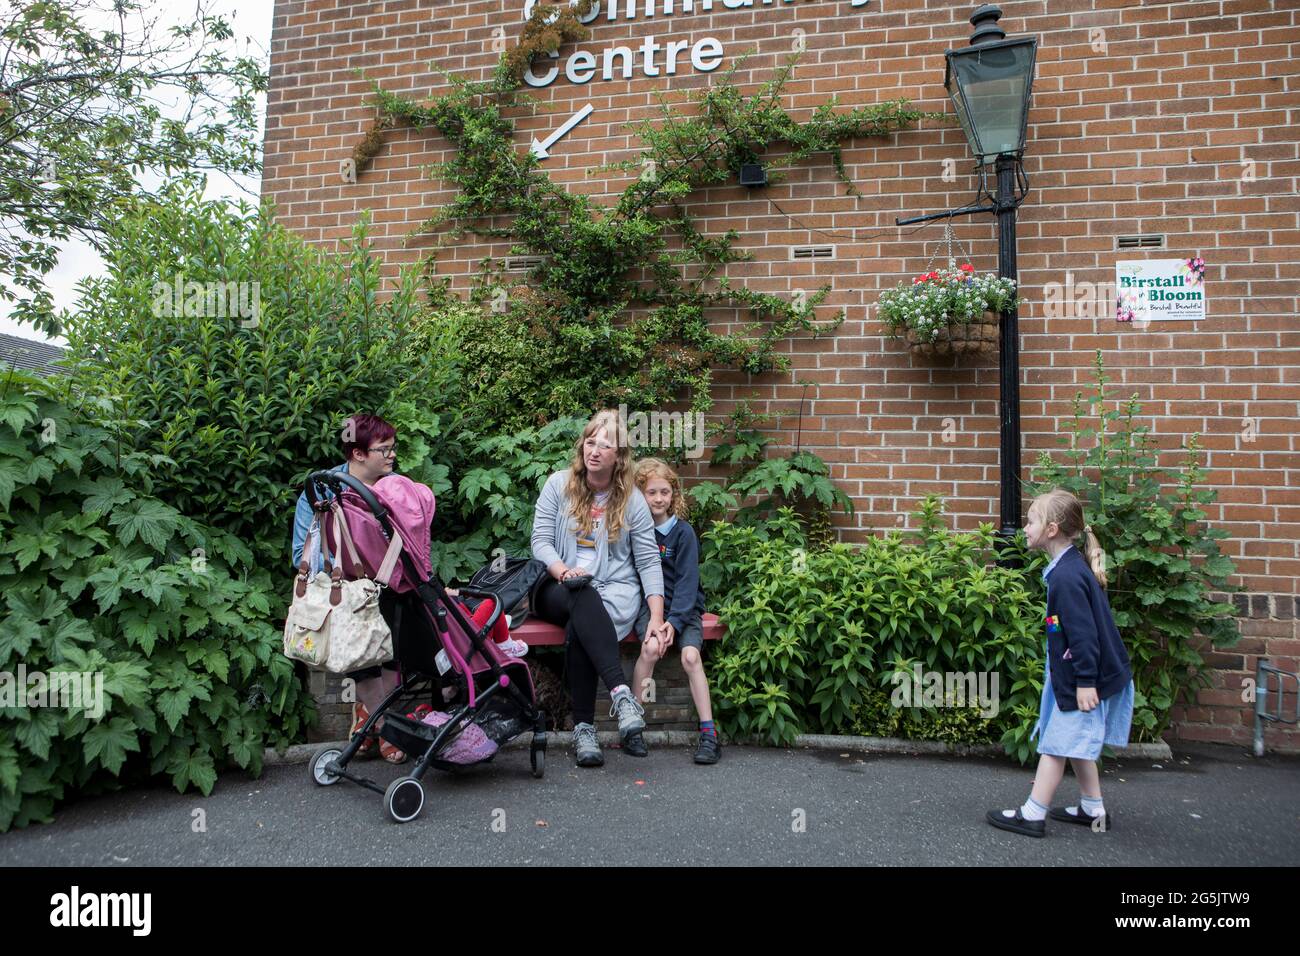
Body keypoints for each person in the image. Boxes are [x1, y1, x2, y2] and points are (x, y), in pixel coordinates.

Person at [987, 488, 1135, 837]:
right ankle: (1092, 808)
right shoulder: (1066, 568)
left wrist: (1085, 682)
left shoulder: (1067, 577)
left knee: (1056, 744)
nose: (1025, 527)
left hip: (1083, 679)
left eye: (1031, 520)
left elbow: (1085, 637)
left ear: (1051, 529)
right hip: (1075, 674)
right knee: (1076, 742)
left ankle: (1032, 814)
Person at [530, 409, 666, 767]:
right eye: (590, 442)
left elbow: (649, 561)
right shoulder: (557, 485)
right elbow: (541, 541)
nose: (594, 451)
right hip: (554, 587)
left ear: (619, 457)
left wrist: (656, 615)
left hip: (613, 590)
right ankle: (622, 694)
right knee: (582, 593)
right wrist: (563, 571)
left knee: (583, 620)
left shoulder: (631, 501)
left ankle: (585, 730)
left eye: (605, 446)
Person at [291, 414, 407, 763]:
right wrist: (347, 567)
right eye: (383, 450)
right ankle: (386, 725)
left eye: (392, 449)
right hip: (347, 589)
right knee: (358, 619)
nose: (391, 456)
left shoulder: (397, 488)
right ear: (357, 453)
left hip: (390, 587)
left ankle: (370, 720)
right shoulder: (323, 490)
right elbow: (301, 553)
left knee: (400, 622)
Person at [628, 457, 719, 764]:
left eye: (664, 492)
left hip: (685, 607)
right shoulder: (637, 532)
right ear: (640, 494)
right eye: (651, 492)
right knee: (651, 649)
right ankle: (633, 727)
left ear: (673, 495)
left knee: (691, 657)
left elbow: (688, 583)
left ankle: (709, 733)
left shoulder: (683, 533)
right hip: (648, 608)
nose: (658, 498)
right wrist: (658, 621)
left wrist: (675, 623)